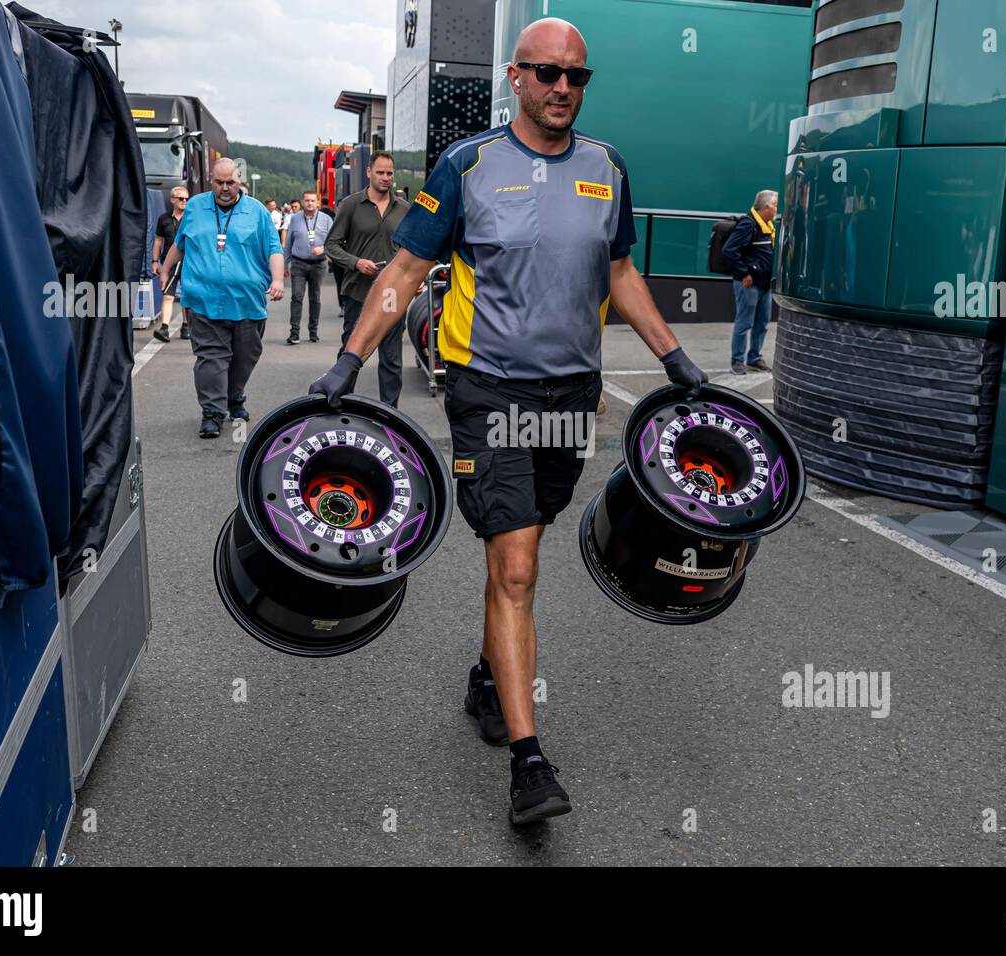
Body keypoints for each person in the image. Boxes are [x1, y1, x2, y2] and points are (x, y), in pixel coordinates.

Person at [308, 17, 706, 825]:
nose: (564, 88)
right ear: (516, 78)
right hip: (489, 392)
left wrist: (678, 361)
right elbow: (406, 268)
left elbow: (620, 271)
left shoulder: (608, 168)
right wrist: (348, 362)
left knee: (528, 541)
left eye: (577, 77)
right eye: (548, 73)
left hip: (572, 396)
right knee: (515, 564)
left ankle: (492, 673)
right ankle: (530, 763)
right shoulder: (468, 165)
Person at [159, 158, 285, 439]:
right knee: (211, 358)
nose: (225, 188)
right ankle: (212, 413)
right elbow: (180, 245)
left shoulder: (257, 212)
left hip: (247, 301)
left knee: (245, 356)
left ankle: (234, 396)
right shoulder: (194, 207)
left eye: (231, 182)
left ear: (239, 181)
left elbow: (274, 248)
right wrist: (165, 270)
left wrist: (277, 279)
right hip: (203, 299)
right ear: (210, 180)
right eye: (219, 182)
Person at [324, 151, 411, 406]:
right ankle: (338, 404)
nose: (386, 178)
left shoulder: (404, 209)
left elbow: (412, 249)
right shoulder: (351, 205)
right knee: (351, 352)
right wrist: (356, 263)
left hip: (392, 295)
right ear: (369, 172)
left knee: (392, 359)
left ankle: (390, 414)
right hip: (358, 293)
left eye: (390, 173)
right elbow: (332, 245)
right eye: (381, 172)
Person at [722, 189, 777, 374]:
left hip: (764, 284)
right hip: (749, 283)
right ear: (767, 207)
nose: (777, 209)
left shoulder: (768, 227)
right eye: (775, 205)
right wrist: (744, 272)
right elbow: (729, 250)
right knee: (744, 323)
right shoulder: (748, 224)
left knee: (762, 323)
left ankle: (754, 357)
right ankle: (737, 361)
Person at [282, 191, 333, 344]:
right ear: (302, 202)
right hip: (298, 263)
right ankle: (294, 333)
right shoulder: (295, 219)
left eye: (312, 200)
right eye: (307, 200)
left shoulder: (326, 220)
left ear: (317, 202)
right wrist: (285, 263)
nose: (309, 203)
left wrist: (323, 249)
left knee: (315, 298)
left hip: (318, 264)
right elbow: (289, 243)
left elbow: (334, 242)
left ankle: (313, 331)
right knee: (296, 297)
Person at [151, 185, 190, 342]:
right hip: (169, 261)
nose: (184, 202)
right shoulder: (164, 218)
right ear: (173, 200)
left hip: (188, 262)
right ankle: (165, 328)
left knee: (187, 296)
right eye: (181, 199)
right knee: (168, 295)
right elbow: (158, 241)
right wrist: (154, 261)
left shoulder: (191, 217)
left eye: (186, 199)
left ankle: (186, 327)